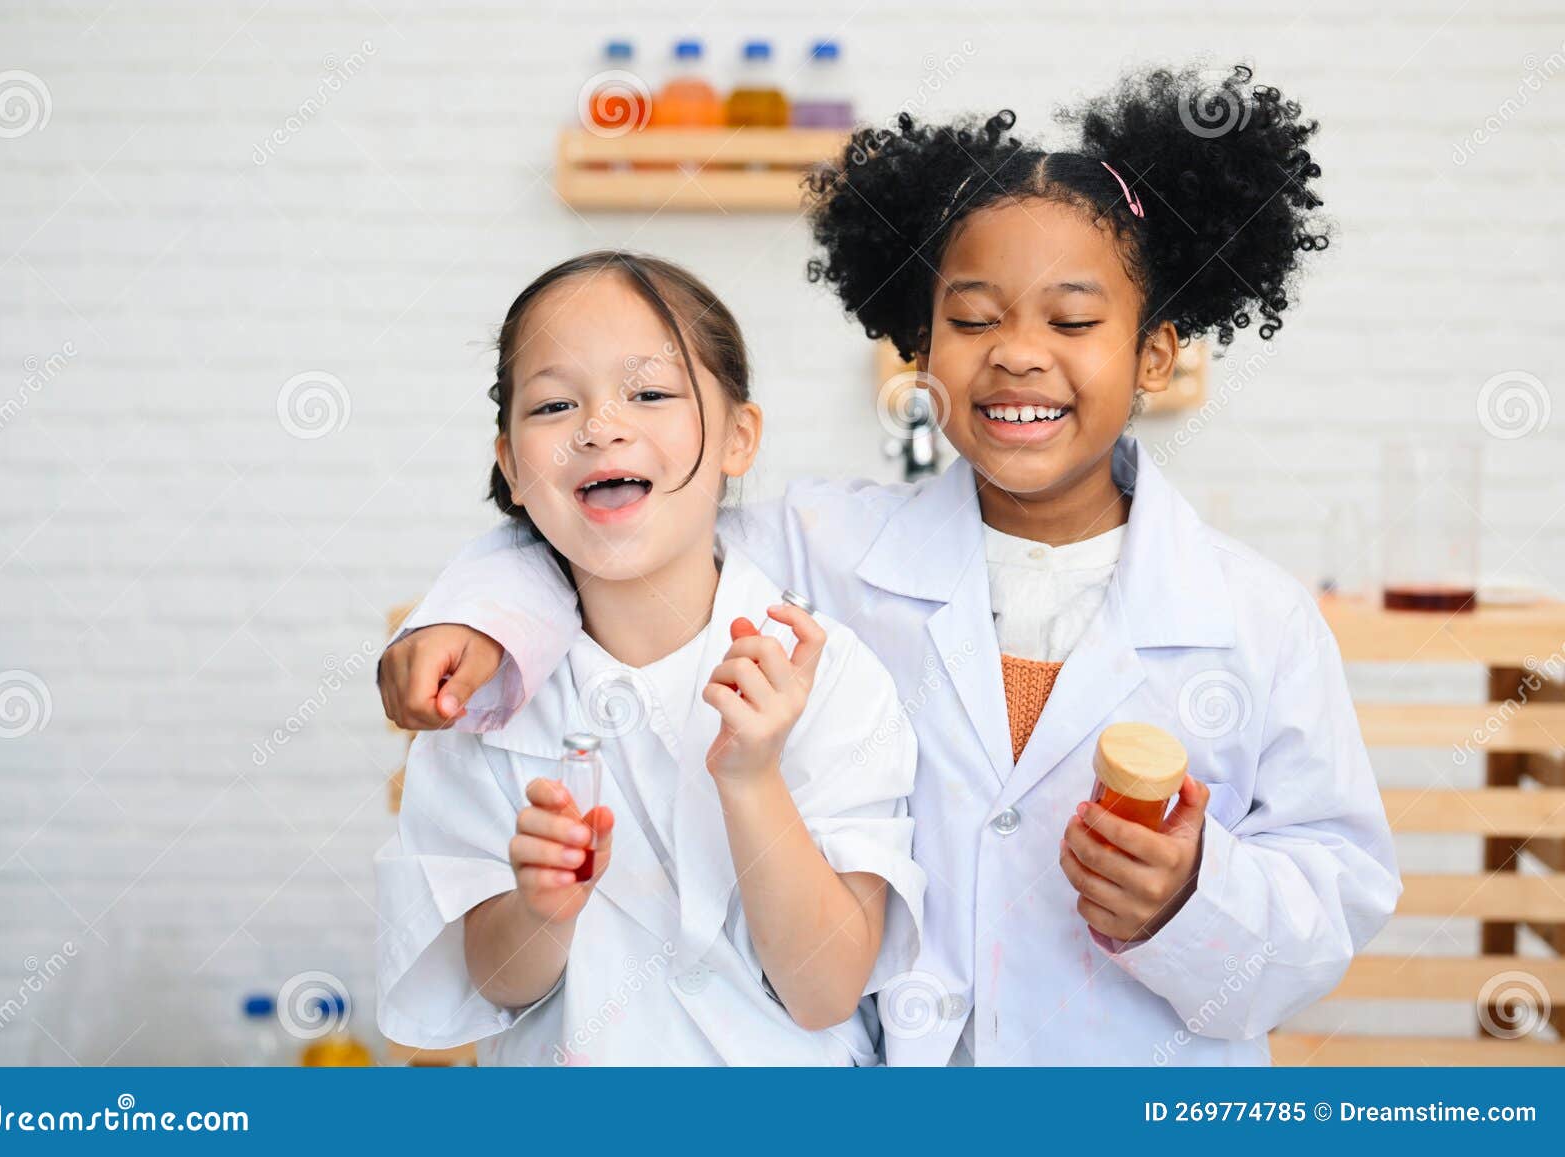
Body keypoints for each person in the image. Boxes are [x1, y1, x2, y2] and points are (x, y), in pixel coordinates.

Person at [379, 66, 1400, 1065]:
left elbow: (1334, 892)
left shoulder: (1256, 616)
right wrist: (474, 621)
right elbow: (621, 528)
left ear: (1155, 355)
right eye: (970, 319)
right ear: (918, 351)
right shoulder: (822, 545)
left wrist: (1190, 895)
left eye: (1074, 320)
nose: (1015, 353)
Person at [374, 252, 924, 1065]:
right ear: (512, 469)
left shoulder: (827, 675)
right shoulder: (485, 703)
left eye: (651, 393)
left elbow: (826, 988)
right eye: (556, 404)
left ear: (739, 437)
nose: (600, 426)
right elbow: (496, 979)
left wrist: (753, 778)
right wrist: (539, 909)